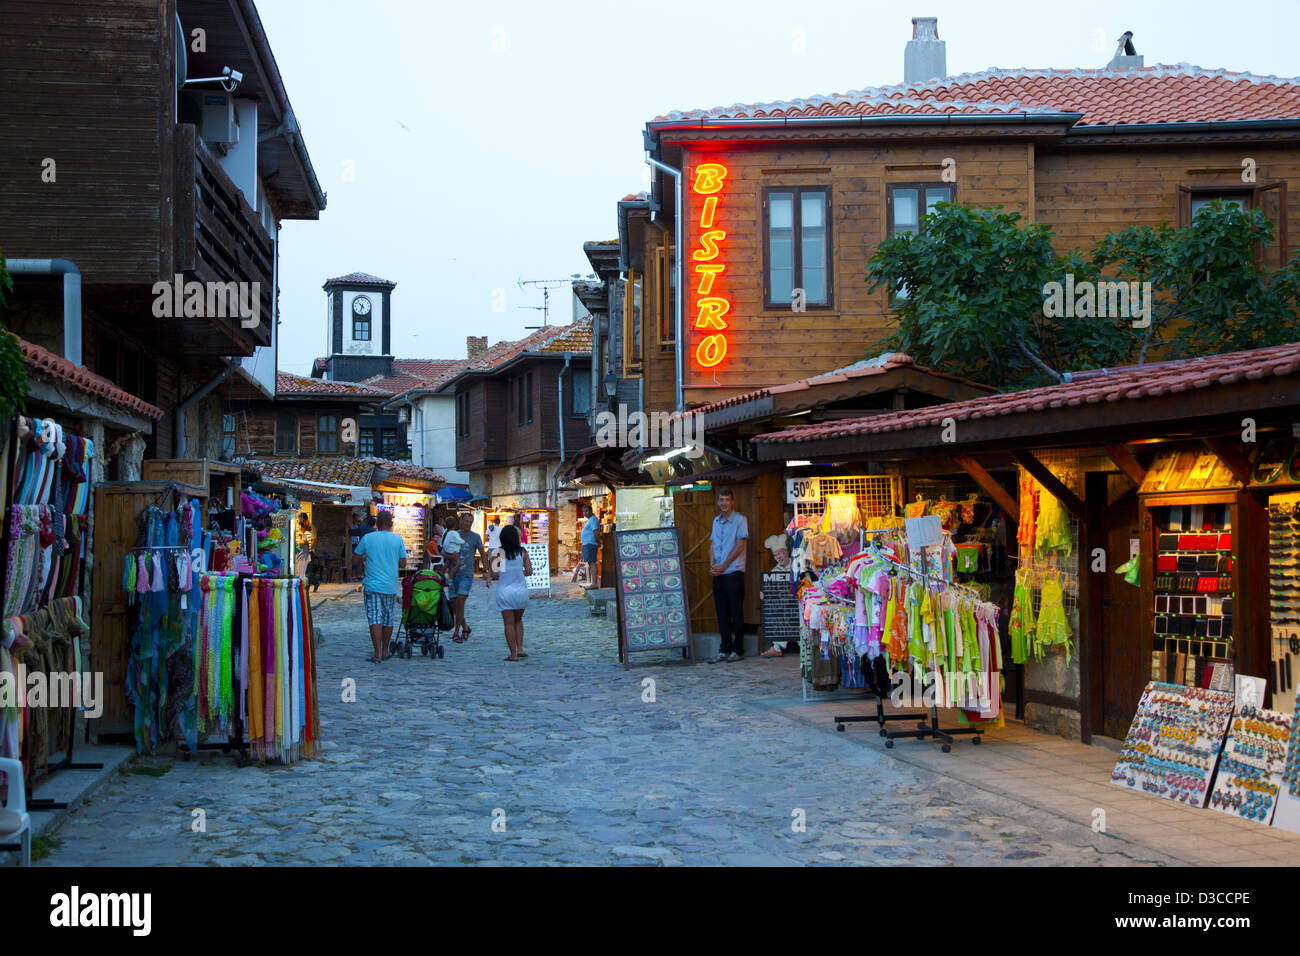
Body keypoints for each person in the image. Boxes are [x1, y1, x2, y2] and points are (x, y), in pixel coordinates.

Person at [354, 509, 406, 663]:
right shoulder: (398, 539)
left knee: (375, 619)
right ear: (391, 523)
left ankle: (376, 653)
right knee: (388, 619)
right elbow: (403, 563)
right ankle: (385, 651)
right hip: (390, 585)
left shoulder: (368, 538)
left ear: (376, 523)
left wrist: (365, 558)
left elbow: (354, 559)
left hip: (372, 585)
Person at [708, 487, 749, 663]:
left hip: (733, 571)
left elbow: (740, 545)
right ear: (718, 502)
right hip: (718, 573)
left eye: (727, 500)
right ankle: (724, 649)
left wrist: (724, 565)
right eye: (721, 500)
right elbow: (712, 545)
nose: (724, 503)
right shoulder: (716, 521)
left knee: (736, 612)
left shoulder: (740, 520)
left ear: (732, 502)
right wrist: (712, 566)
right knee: (721, 613)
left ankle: (738, 650)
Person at [449, 511, 491, 643]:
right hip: (452, 574)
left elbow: (483, 554)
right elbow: (444, 552)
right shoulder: (453, 535)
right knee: (454, 605)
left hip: (466, 574)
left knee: (461, 601)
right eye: (466, 521)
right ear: (460, 521)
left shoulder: (475, 537)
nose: (468, 524)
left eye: (470, 522)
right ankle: (465, 627)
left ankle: (456, 632)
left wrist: (486, 570)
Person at [495, 523, 533, 661]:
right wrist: (517, 571)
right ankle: (521, 648)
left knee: (508, 623)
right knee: (518, 620)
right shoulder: (522, 552)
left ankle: (513, 654)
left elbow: (494, 572)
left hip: (505, 591)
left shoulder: (499, 552)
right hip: (520, 591)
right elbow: (529, 572)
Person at [759, 533, 799, 658]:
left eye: (780, 553)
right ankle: (777, 647)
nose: (778, 557)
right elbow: (769, 590)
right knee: (777, 614)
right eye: (775, 555)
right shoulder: (774, 571)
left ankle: (804, 644)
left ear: (786, 552)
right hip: (784, 607)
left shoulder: (797, 565)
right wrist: (764, 593)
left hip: (798, 603)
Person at [579, 504, 600, 586]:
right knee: (590, 563)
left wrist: (598, 542)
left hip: (590, 544)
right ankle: (593, 582)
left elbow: (596, 533)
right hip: (588, 544)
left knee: (592, 563)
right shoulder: (590, 520)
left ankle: (594, 583)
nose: (585, 513)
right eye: (583, 511)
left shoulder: (593, 519)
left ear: (591, 511)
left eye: (586, 511)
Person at [294, 512, 313, 580]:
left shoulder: (306, 534)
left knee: (301, 574)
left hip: (303, 557)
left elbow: (301, 543)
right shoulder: (302, 534)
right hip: (299, 556)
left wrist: (299, 536)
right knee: (298, 573)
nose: (299, 529)